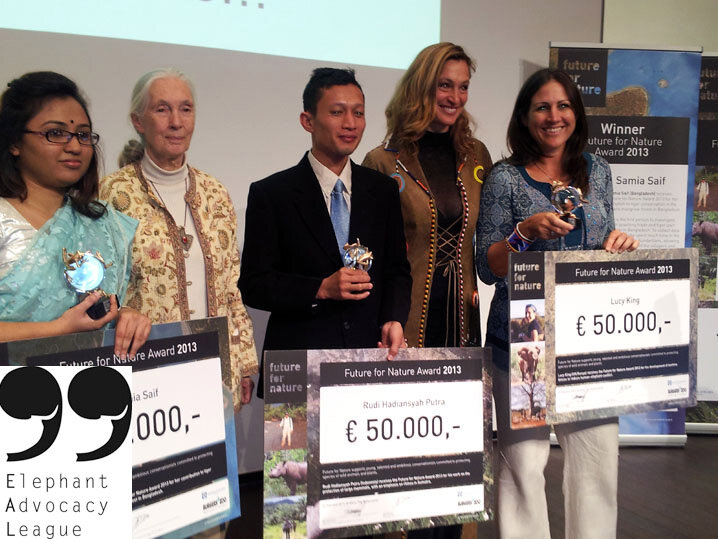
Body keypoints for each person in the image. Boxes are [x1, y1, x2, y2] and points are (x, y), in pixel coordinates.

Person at [476, 68, 639, 539]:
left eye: (563, 105)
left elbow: (603, 242)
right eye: (542, 107)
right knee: (524, 468)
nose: (553, 116)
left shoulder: (599, 172)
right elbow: (488, 265)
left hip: (589, 345)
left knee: (597, 464)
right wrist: (523, 233)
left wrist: (618, 241)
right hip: (524, 343)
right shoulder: (505, 178)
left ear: (576, 113)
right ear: (525, 118)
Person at [239, 67, 412, 382]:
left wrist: (394, 320)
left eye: (358, 113)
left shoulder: (382, 190)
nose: (350, 123)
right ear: (307, 121)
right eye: (337, 112)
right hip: (298, 365)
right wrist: (320, 288)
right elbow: (254, 285)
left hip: (368, 359)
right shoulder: (271, 193)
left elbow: (397, 271)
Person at [99, 68, 258, 409]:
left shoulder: (214, 192)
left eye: (185, 109)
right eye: (162, 109)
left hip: (214, 369)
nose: (176, 122)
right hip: (147, 369)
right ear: (138, 121)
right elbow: (101, 289)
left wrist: (243, 361)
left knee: (216, 462)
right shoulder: (113, 193)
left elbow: (231, 286)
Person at [0, 71, 150, 357]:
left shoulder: (103, 223)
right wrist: (57, 328)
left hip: (89, 393)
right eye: (55, 133)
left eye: (82, 135)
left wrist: (127, 315)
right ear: (14, 142)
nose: (74, 146)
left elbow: (105, 306)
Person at [363, 42, 491, 348]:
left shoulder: (476, 156)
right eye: (444, 85)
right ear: (421, 87)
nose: (455, 98)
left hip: (462, 317)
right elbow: (371, 259)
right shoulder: (381, 162)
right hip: (401, 322)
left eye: (463, 87)